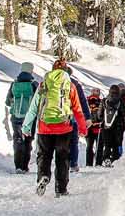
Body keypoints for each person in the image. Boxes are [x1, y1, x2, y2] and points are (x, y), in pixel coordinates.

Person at [25, 56, 89, 197]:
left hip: (44, 127)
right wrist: (83, 128)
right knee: (62, 158)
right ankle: (61, 188)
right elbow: (77, 109)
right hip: (64, 128)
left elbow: (34, 107)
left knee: (44, 155)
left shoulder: (44, 84)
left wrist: (26, 126)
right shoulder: (70, 86)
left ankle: (43, 176)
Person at [5, 67, 37, 173]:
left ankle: (18, 166)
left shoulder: (14, 84)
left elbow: (8, 102)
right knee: (28, 141)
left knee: (18, 139)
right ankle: (24, 166)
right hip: (29, 117)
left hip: (16, 116)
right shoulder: (34, 85)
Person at [99, 83, 125, 164]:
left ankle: (106, 158)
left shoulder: (105, 100)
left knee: (107, 144)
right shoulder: (121, 101)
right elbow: (124, 113)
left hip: (106, 126)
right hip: (118, 126)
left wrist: (102, 120)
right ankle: (115, 160)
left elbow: (99, 115)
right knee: (116, 144)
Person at [83, 87, 104, 168]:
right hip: (98, 127)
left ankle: (89, 163)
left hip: (89, 127)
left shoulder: (87, 101)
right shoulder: (101, 102)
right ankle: (98, 163)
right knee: (99, 146)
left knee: (89, 146)